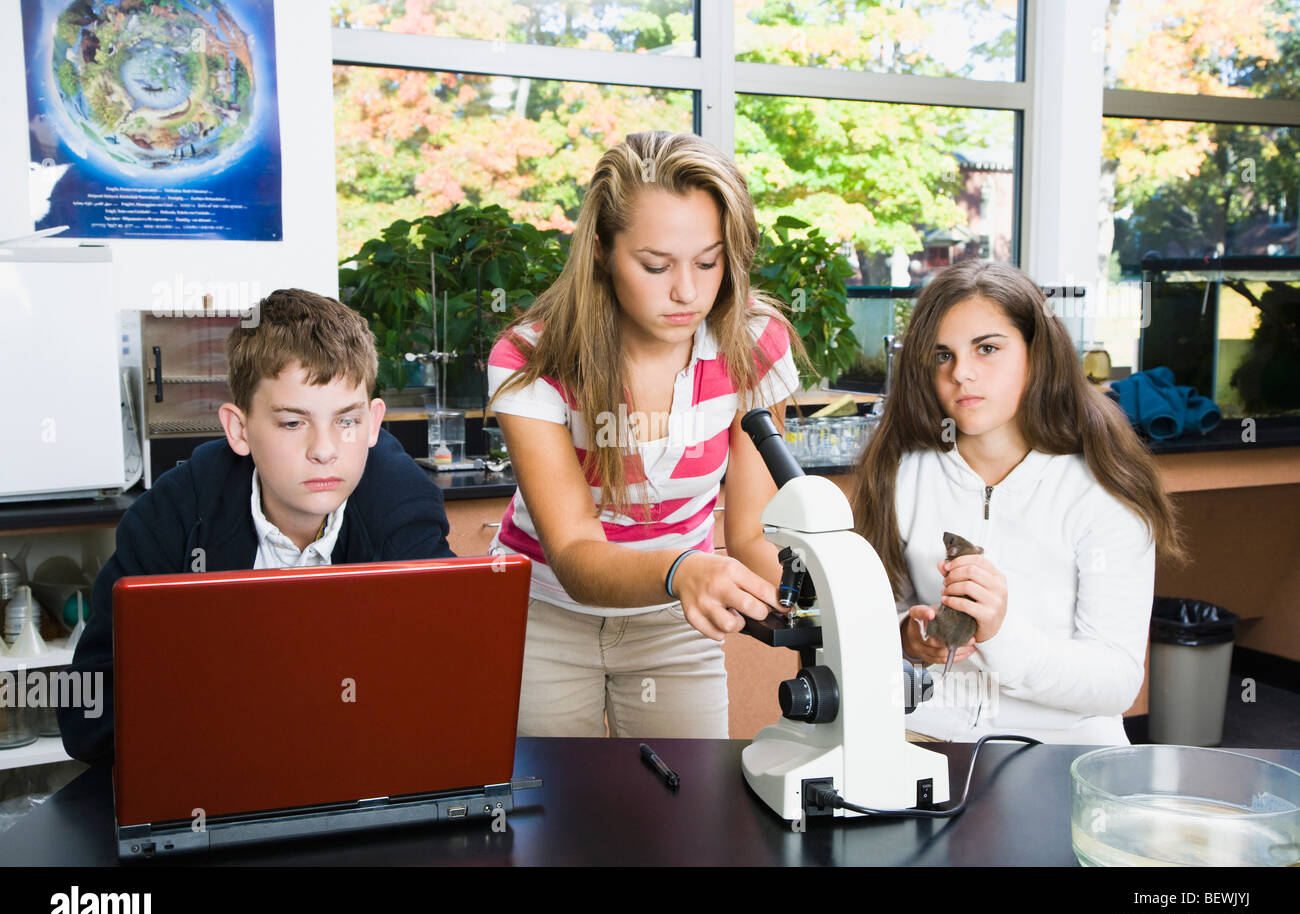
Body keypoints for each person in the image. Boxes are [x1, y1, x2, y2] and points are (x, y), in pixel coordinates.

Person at [487, 130, 806, 739]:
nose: (687, 291)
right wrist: (685, 568)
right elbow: (577, 557)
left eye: (708, 262)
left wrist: (831, 603)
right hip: (542, 614)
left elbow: (749, 532)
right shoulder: (534, 358)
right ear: (604, 251)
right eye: (656, 265)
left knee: (687, 816)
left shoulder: (753, 343)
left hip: (673, 623)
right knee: (549, 821)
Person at [57, 289, 455, 763]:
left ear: (372, 424)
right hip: (215, 777)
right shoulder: (172, 515)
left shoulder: (405, 509)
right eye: (292, 423)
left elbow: (445, 682)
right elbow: (87, 711)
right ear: (239, 430)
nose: (325, 450)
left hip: (360, 774)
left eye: (346, 421)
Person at [851, 259, 1186, 745]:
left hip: (1062, 752)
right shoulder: (902, 472)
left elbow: (1116, 683)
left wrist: (1001, 635)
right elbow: (872, 621)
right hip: (926, 738)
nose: (962, 373)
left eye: (987, 348)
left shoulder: (1105, 486)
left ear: (1037, 352)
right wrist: (905, 636)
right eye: (943, 355)